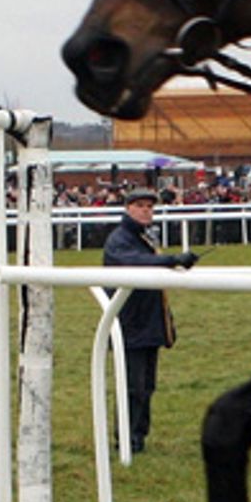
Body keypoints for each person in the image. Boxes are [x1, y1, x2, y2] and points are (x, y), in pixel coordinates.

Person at [102, 187, 198, 453]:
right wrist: (172, 260)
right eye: (141, 206)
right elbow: (134, 263)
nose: (146, 210)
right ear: (128, 208)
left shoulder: (144, 237)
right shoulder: (119, 240)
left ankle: (138, 437)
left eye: (150, 207)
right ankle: (127, 439)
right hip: (129, 324)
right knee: (133, 387)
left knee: (147, 386)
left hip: (147, 323)